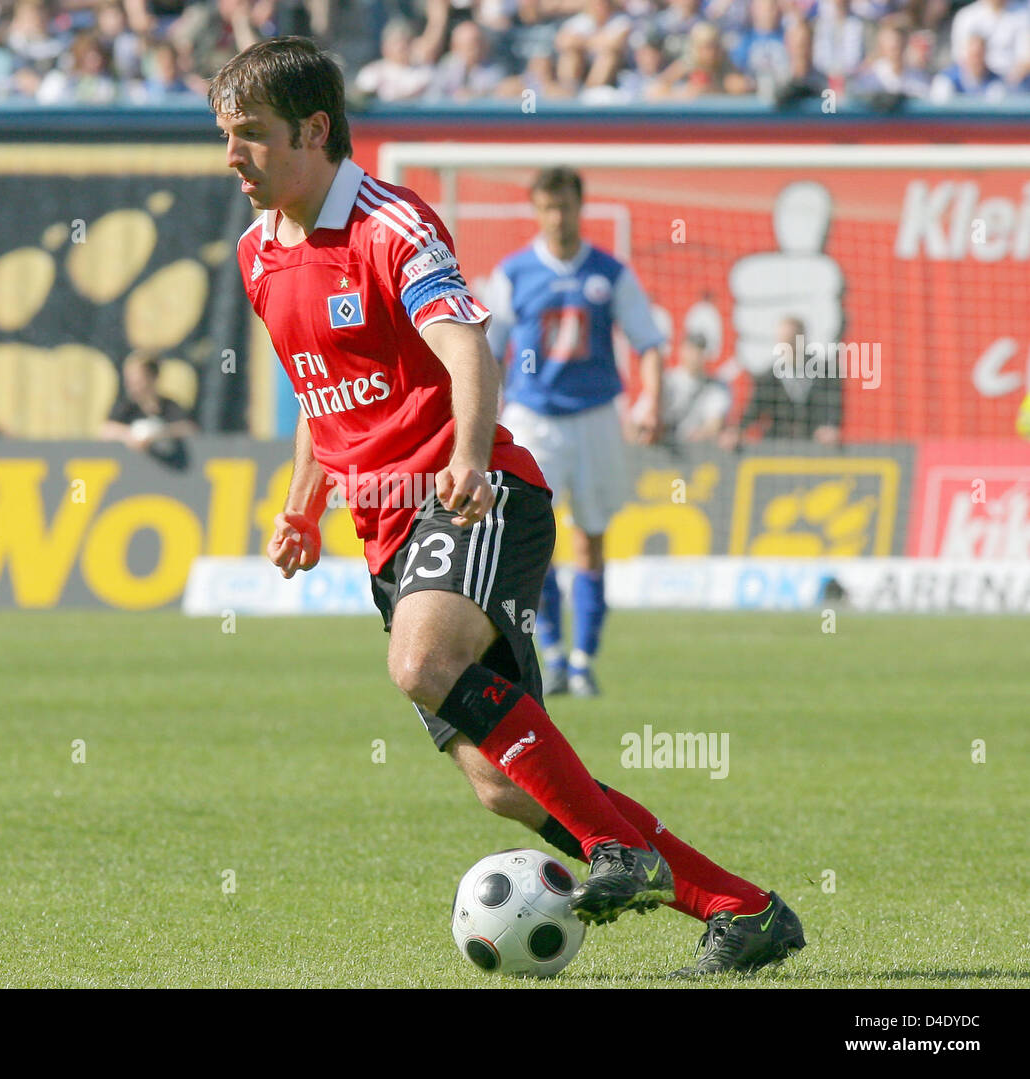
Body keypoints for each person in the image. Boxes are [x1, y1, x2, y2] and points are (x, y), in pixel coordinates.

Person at [212, 36, 805, 976]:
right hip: (385, 532)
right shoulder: (258, 253)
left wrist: (472, 456)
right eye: (224, 137)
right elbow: (318, 393)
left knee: (422, 662)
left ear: (314, 130)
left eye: (249, 136)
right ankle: (743, 908)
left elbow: (469, 353)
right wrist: (300, 507)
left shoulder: (390, 224)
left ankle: (623, 854)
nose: (232, 157)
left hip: (474, 492)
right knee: (505, 785)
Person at [484, 166, 663, 700]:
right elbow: (489, 353)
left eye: (565, 206)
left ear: (581, 208)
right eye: (547, 207)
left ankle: (584, 661)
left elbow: (647, 341)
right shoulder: (514, 273)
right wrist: (485, 420)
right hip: (533, 418)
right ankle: (555, 656)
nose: (557, 217)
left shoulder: (610, 273)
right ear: (536, 211)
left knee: (590, 538)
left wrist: (649, 398)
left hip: (595, 416)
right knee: (535, 540)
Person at [719, 315, 842, 448]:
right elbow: (753, 410)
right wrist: (736, 431)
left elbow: (833, 405)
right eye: (782, 341)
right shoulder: (769, 378)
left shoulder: (826, 373)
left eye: (790, 341)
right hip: (779, 449)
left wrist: (830, 428)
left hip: (815, 447)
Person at [100, 352, 197, 469]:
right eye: (129, 381)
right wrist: (129, 435)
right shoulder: (125, 407)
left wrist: (157, 434)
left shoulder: (169, 406)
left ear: (152, 378)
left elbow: (189, 428)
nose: (132, 386)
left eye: (137, 381)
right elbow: (106, 430)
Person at [662, 330, 731, 443]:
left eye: (699, 350)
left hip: (698, 451)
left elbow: (714, 424)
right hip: (665, 449)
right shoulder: (667, 381)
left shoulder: (716, 387)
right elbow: (642, 415)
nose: (694, 355)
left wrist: (699, 434)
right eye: (690, 349)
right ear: (681, 351)